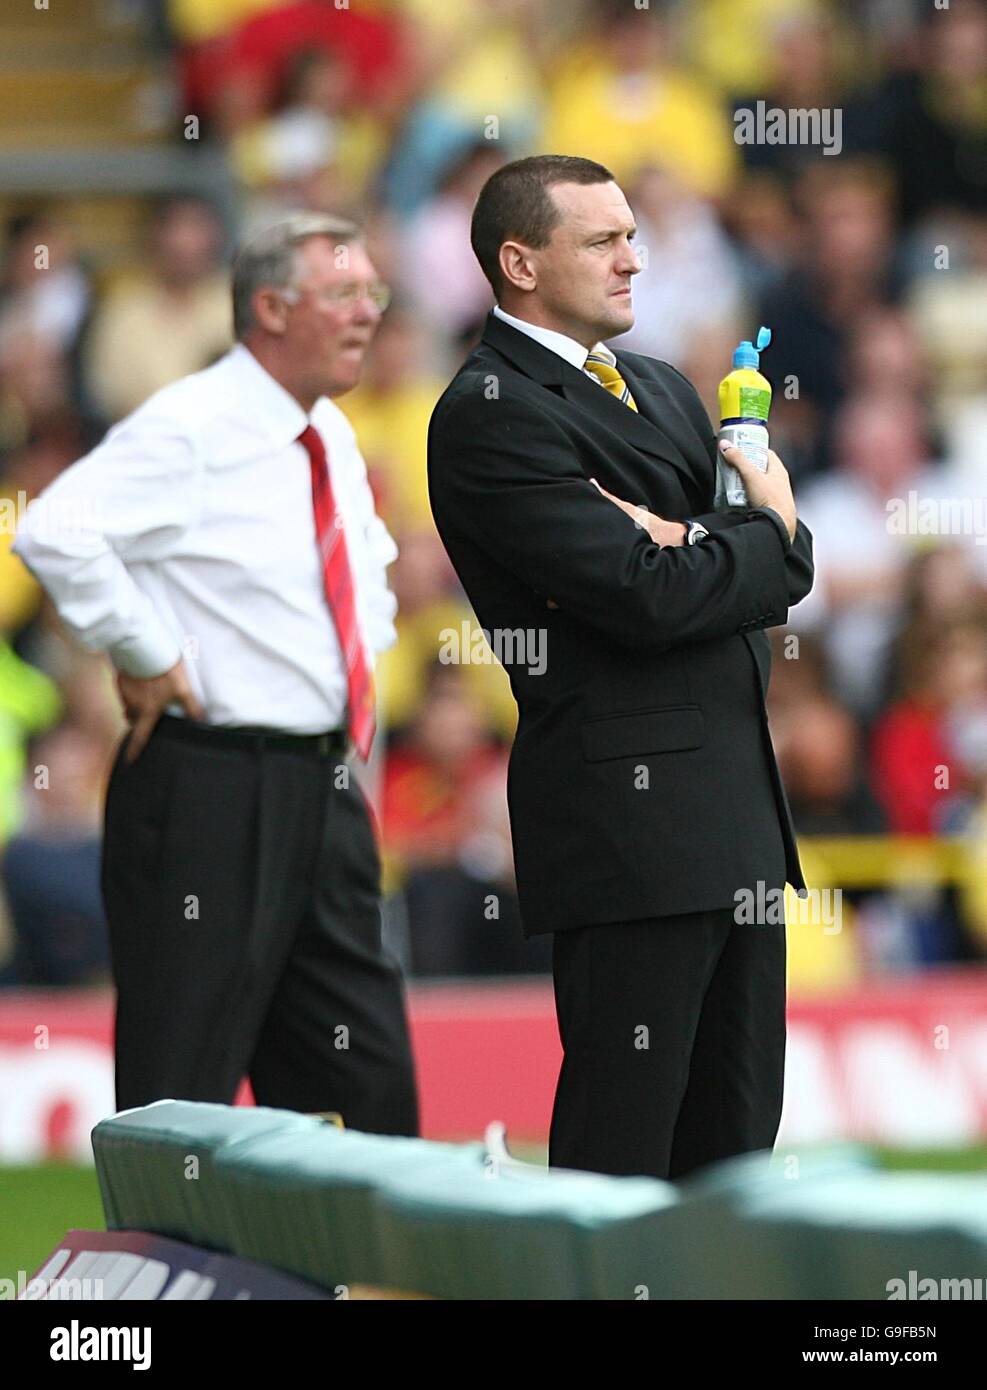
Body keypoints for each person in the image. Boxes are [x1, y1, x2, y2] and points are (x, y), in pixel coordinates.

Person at [427, 155, 814, 1180]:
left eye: (633, 234)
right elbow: (652, 594)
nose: (635, 261)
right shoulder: (489, 410)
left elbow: (770, 555)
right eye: (602, 240)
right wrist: (739, 540)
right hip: (629, 834)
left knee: (737, 1157)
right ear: (518, 260)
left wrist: (710, 538)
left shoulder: (658, 387)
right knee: (622, 1158)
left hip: (738, 822)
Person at [13, 213, 419, 1134]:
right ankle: (164, 1273)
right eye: (344, 295)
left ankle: (358, 1279)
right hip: (211, 784)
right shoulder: (192, 422)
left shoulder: (330, 434)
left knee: (366, 1081)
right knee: (182, 1084)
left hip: (321, 787)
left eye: (375, 295)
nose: (368, 315)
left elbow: (360, 594)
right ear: (270, 308)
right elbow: (53, 529)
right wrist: (144, 651)